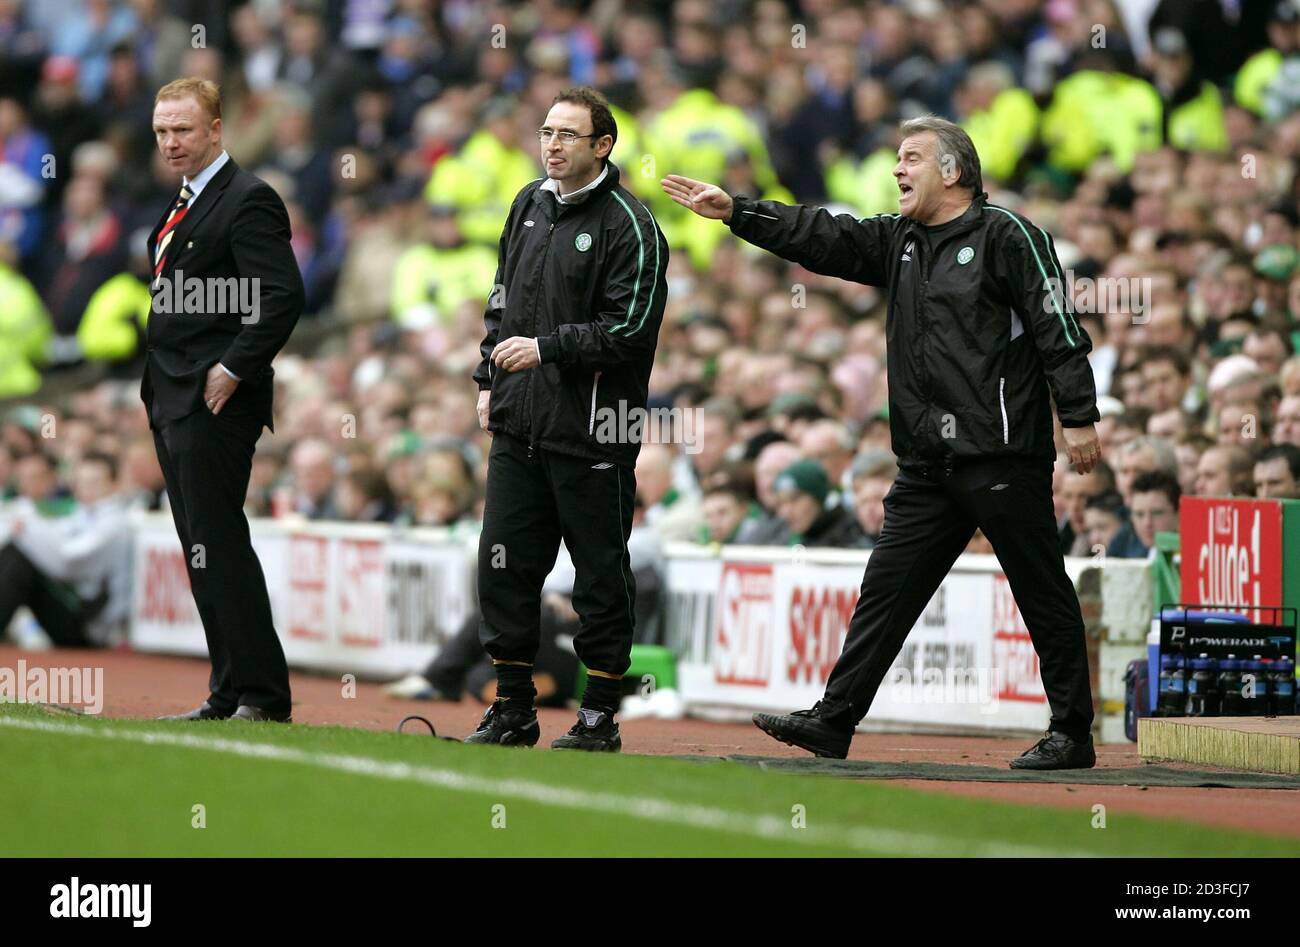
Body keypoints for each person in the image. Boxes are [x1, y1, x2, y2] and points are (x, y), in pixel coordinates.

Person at [663, 115, 1101, 769]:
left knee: (1039, 588)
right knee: (885, 592)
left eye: (912, 158)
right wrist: (738, 213)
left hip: (1000, 453)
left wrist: (1081, 416)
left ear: (953, 171)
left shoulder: (1007, 234)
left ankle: (1072, 731)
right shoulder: (900, 242)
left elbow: (1055, 323)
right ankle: (834, 719)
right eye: (898, 158)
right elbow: (823, 237)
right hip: (925, 462)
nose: (897, 169)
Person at [468, 86, 668, 751]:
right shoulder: (527, 204)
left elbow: (632, 329)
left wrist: (549, 348)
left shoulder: (631, 225)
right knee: (503, 566)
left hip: (593, 431)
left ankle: (599, 714)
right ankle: (513, 706)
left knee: (599, 574)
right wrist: (484, 376)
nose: (551, 145)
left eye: (567, 135)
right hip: (519, 422)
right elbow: (502, 302)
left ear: (603, 146)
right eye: (546, 132)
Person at [144, 78, 303, 723]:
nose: (171, 142)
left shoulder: (248, 199)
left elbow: (282, 294)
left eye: (183, 129)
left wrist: (234, 367)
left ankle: (263, 696)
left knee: (218, 541)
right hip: (172, 393)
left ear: (216, 129)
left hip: (214, 398)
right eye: (161, 132)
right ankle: (229, 692)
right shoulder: (181, 204)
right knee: (200, 546)